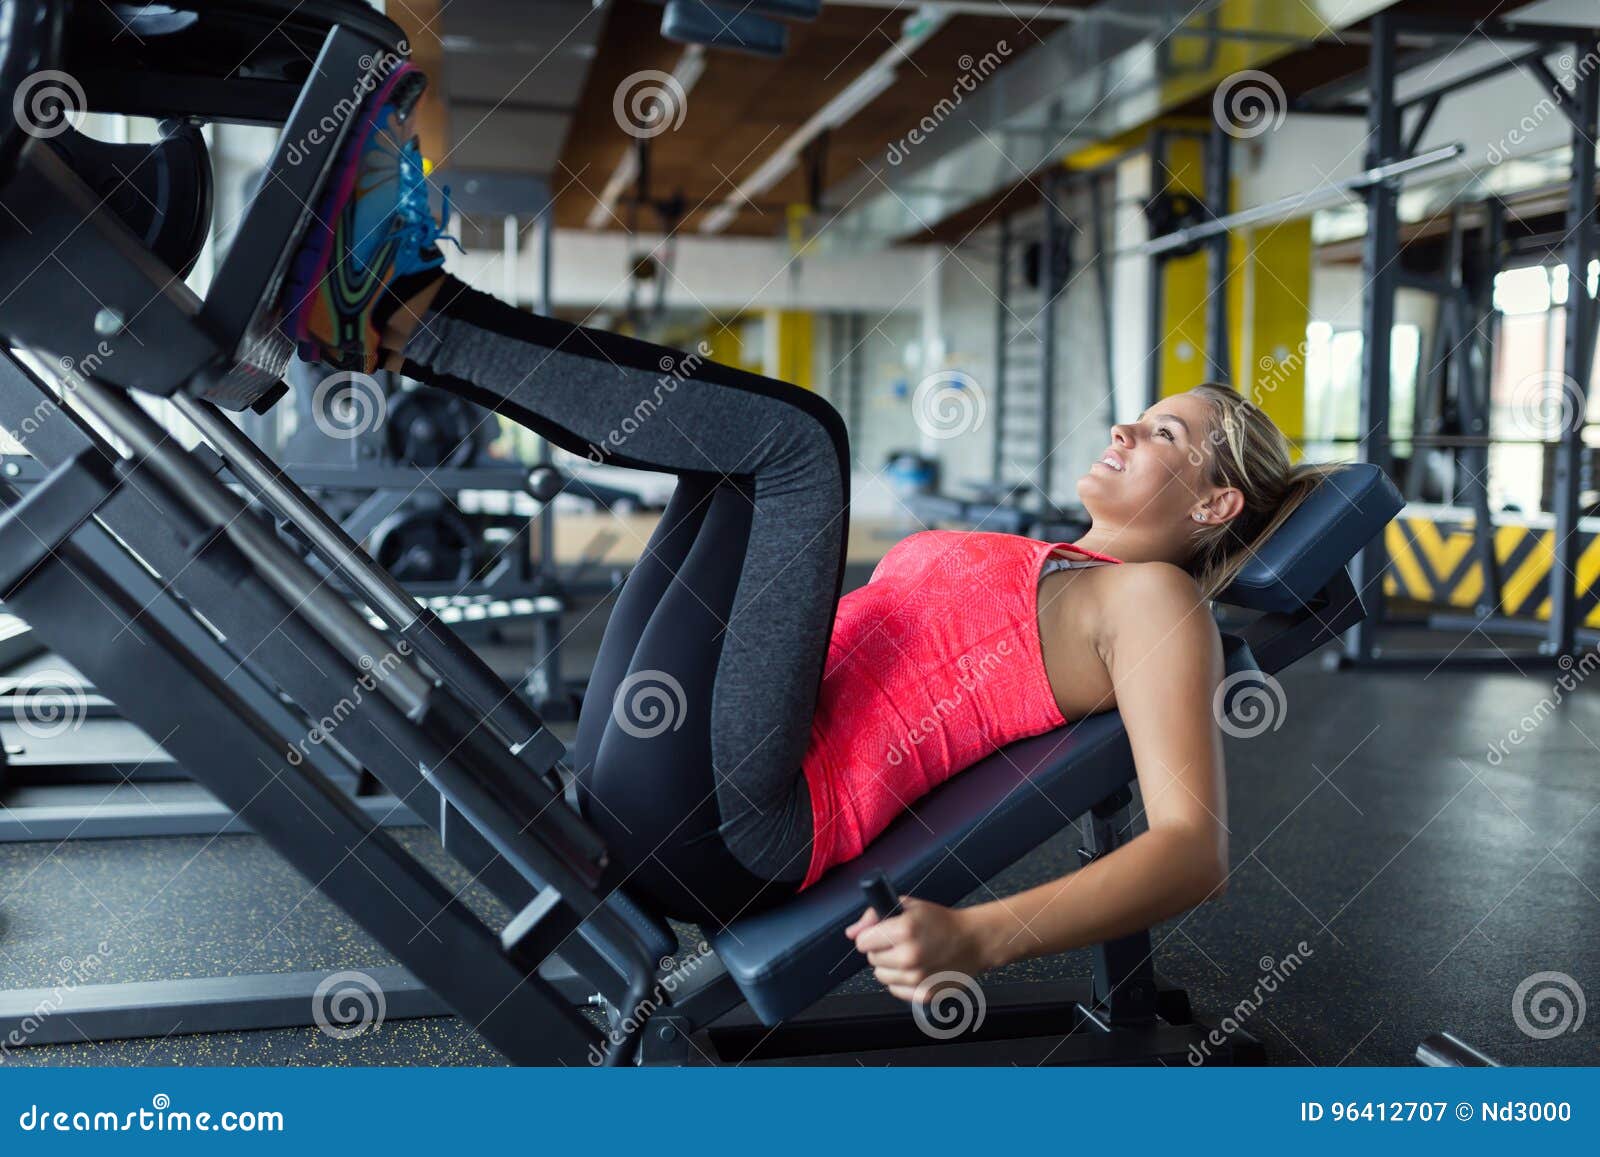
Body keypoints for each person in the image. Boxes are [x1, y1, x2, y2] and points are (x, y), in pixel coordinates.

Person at [278, 67, 1341, 1006]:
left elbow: (1192, 850)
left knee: (797, 440)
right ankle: (390, 316)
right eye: (1139, 410)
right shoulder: (1058, 563)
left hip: (737, 822)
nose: (1125, 426)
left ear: (1213, 507)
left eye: (1165, 432)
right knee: (736, 449)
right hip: (665, 771)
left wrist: (976, 934)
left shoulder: (1151, 602)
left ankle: (404, 312)